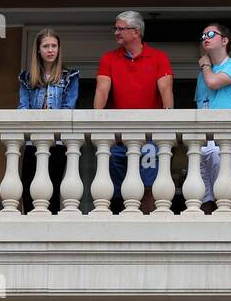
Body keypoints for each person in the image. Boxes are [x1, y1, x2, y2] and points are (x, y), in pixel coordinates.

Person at [94, 11, 173, 213]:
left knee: (149, 187)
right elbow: (102, 90)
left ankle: (148, 233)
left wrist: (167, 124)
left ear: (136, 32)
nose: (116, 33)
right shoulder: (109, 58)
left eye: (121, 29)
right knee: (114, 189)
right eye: (116, 28)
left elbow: (166, 90)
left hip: (150, 139)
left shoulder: (158, 58)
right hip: (118, 138)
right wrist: (96, 121)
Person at [18, 28, 79, 212]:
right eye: (46, 46)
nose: (50, 50)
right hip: (32, 144)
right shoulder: (27, 78)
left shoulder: (69, 77)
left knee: (53, 190)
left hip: (57, 144)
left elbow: (69, 109)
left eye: (54, 46)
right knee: (28, 190)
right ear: (38, 50)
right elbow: (22, 108)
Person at [195, 22, 231, 213]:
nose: (205, 38)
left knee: (225, 196)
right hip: (202, 139)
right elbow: (200, 106)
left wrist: (206, 66)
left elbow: (214, 82)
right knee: (203, 198)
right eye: (203, 36)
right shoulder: (203, 73)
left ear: (224, 40)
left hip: (227, 138)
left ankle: (229, 241)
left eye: (210, 33)